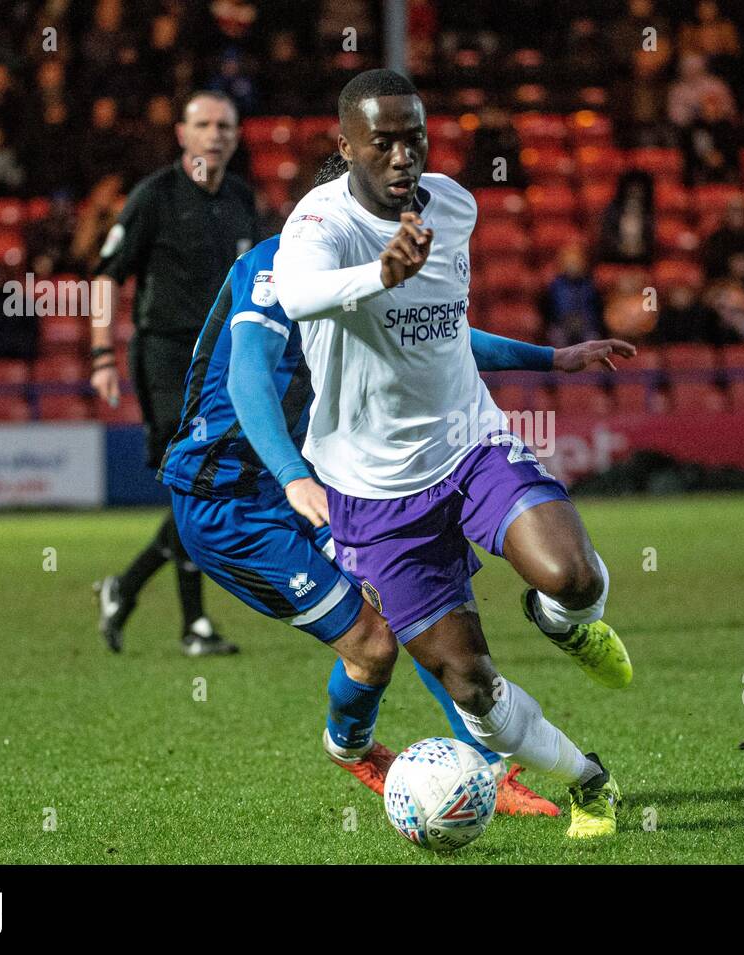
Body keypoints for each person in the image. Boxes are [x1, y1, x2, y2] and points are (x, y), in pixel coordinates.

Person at [162, 151, 630, 816]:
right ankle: (352, 749)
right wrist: (292, 476)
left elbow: (448, 340)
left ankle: (495, 768)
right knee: (374, 643)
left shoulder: (373, 269)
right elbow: (247, 379)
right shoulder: (274, 267)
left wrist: (551, 359)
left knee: (419, 612)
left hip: (315, 477)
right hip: (230, 501)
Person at [274, 70, 634, 837]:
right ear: (347, 148)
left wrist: (551, 358)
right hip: (370, 492)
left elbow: (443, 332)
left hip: (468, 442)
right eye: (384, 143)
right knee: (471, 684)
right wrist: (381, 272)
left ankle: (566, 620)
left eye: (416, 138)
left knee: (573, 575)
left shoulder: (456, 206)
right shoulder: (319, 225)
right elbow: (297, 295)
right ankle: (589, 780)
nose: (405, 157)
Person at [90, 90, 258, 656]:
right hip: (164, 359)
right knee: (195, 482)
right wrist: (101, 356)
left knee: (204, 487)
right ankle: (194, 626)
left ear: (236, 137)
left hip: (223, 363)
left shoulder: (240, 200)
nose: (215, 135)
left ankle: (128, 587)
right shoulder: (154, 196)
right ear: (182, 135)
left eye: (225, 126)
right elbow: (106, 278)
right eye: (203, 125)